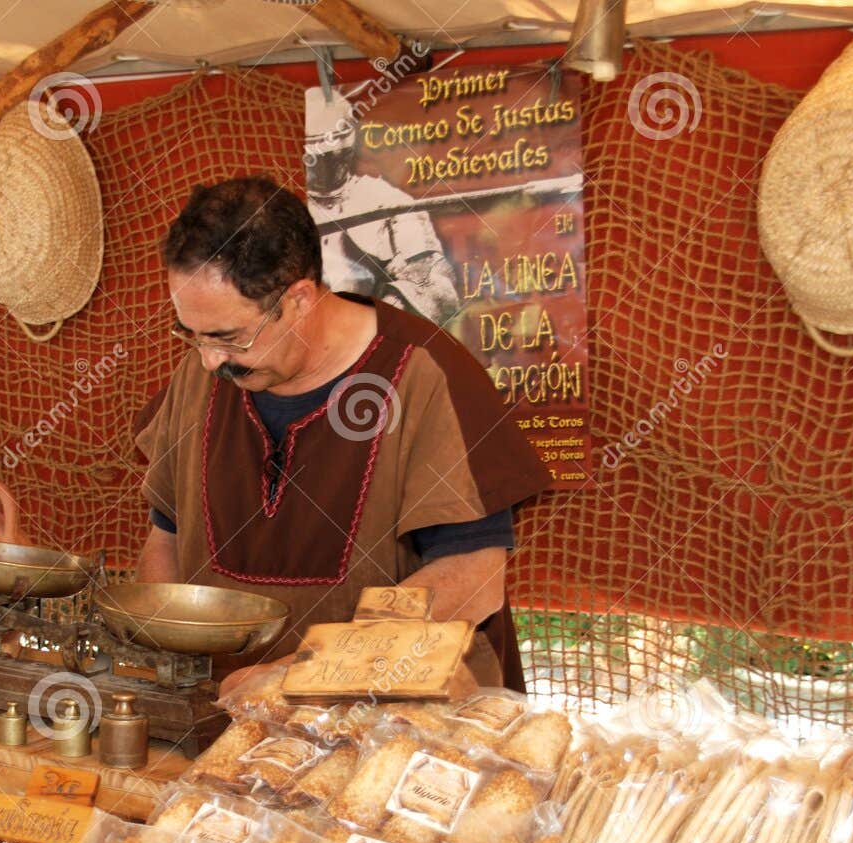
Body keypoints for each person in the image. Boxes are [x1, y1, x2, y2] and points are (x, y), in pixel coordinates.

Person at [134, 176, 552, 694]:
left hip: (393, 727)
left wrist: (299, 677)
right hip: (222, 716)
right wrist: (160, 661)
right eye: (189, 333)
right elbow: (166, 540)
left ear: (301, 299)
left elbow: (470, 581)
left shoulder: (425, 375)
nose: (208, 359)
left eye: (229, 336)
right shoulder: (201, 377)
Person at [305, 89, 462, 326]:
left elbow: (435, 286)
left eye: (331, 156)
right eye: (317, 158)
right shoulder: (283, 210)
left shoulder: (385, 201)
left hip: (373, 341)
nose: (324, 167)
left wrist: (376, 325)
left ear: (348, 149)